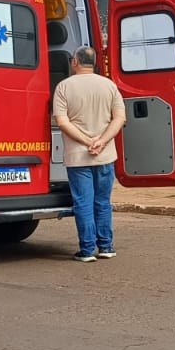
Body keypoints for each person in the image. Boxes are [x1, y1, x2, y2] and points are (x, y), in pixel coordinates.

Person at [51, 46, 126, 262]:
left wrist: (86, 142)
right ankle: (106, 247)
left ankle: (86, 250)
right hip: (105, 156)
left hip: (78, 157)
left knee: (83, 202)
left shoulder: (64, 87)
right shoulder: (109, 85)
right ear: (93, 63)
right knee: (102, 201)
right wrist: (101, 142)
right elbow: (119, 118)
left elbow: (62, 122)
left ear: (75, 62)